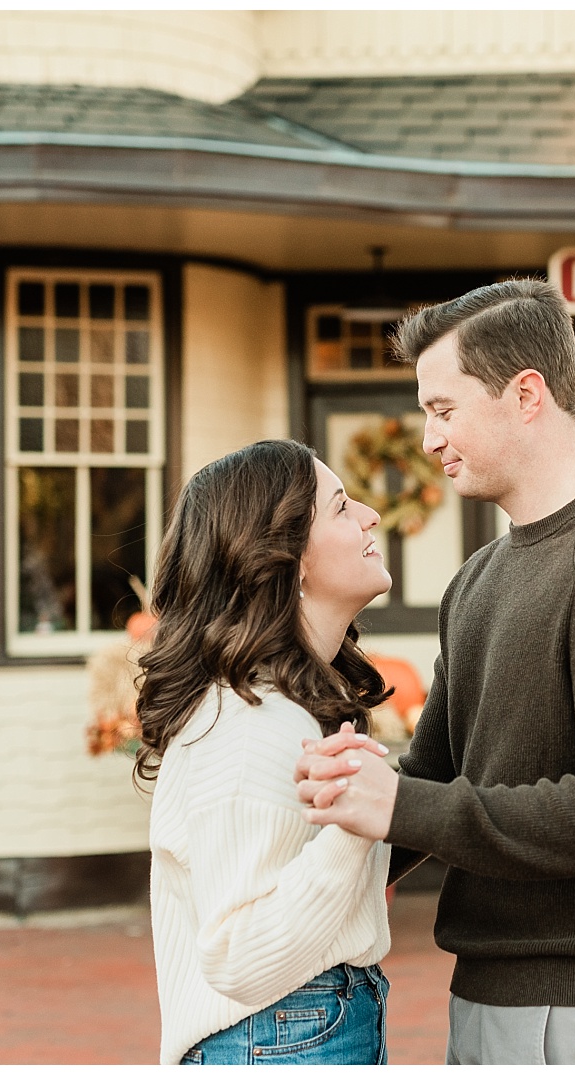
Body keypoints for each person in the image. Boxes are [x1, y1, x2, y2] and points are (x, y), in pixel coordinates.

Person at [295, 280, 575, 1064]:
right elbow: (432, 775)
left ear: (527, 394)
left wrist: (400, 804)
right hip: (490, 1000)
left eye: (444, 409)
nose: (429, 438)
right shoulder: (478, 580)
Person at [136, 439, 398, 1065]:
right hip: (282, 1034)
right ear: (290, 560)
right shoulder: (250, 724)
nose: (370, 515)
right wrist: (354, 827)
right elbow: (240, 957)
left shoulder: (277, 706)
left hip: (294, 1030)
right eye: (340, 507)